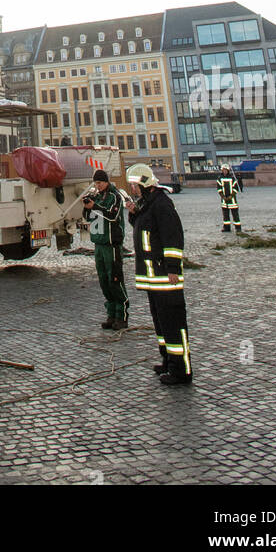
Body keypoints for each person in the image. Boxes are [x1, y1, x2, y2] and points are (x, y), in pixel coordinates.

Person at [127, 163, 192, 387]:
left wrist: (173, 268)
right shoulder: (147, 205)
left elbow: (173, 237)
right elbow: (145, 231)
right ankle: (167, 360)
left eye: (134, 185)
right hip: (153, 277)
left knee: (173, 324)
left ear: (145, 184)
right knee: (161, 323)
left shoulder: (162, 205)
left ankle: (181, 370)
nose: (132, 189)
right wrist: (133, 214)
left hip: (165, 277)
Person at [82, 170, 129, 331]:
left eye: (100, 183)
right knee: (104, 281)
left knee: (115, 279)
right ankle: (111, 314)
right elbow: (88, 217)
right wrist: (88, 206)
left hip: (112, 244)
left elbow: (112, 215)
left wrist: (95, 206)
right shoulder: (97, 196)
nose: (98, 186)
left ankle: (121, 315)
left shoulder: (114, 196)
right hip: (99, 244)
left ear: (106, 182)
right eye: (96, 183)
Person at [216, 164, 243, 234]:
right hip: (224, 201)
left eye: (226, 170)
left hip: (232, 200)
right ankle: (227, 228)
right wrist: (222, 196)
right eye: (223, 170)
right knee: (225, 216)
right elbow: (219, 189)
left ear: (228, 170)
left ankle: (238, 228)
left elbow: (236, 188)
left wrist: (231, 196)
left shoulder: (232, 178)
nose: (224, 171)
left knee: (235, 215)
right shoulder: (220, 178)